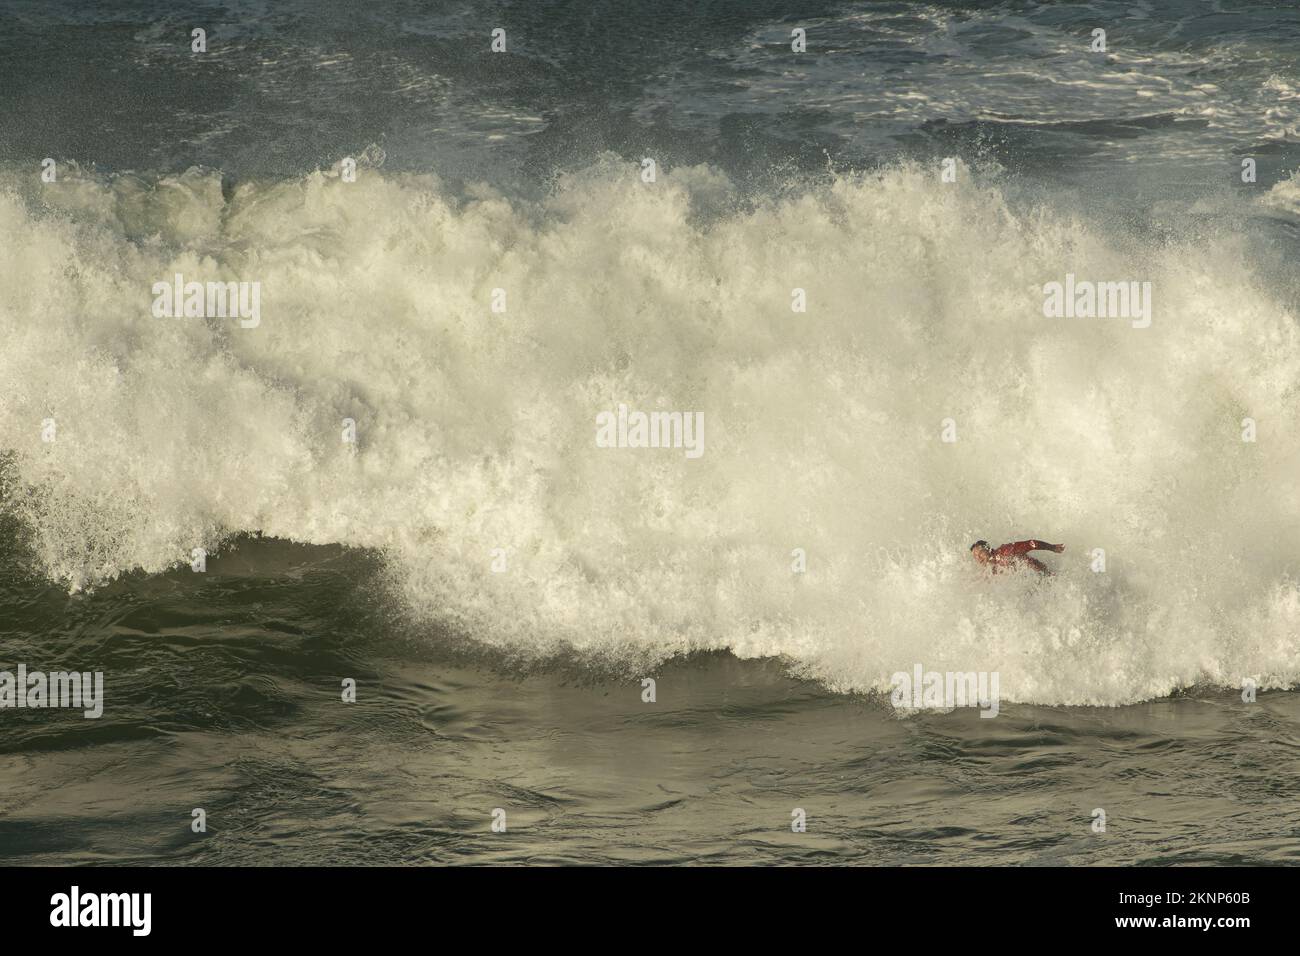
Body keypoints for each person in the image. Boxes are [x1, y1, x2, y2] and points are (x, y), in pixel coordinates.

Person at [970, 539, 1064, 575]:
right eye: (975, 556)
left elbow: (1032, 544)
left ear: (989, 549)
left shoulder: (1004, 552)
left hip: (1044, 575)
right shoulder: (991, 569)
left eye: (980, 553)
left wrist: (1052, 547)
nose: (978, 558)